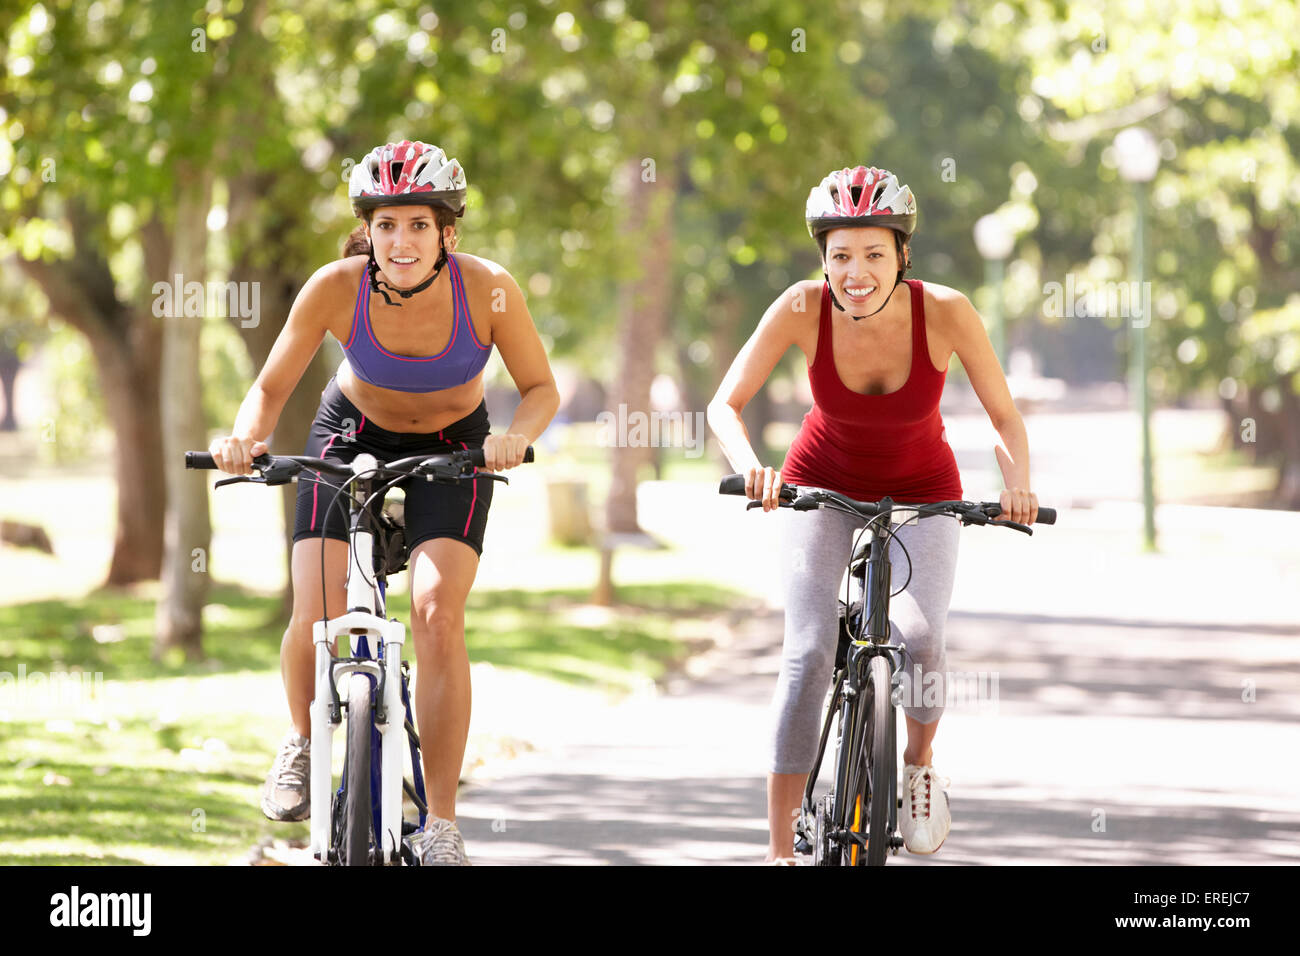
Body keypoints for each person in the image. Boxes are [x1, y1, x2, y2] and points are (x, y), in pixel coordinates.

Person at [208, 140, 559, 865]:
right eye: (387, 225)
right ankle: (304, 743)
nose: (400, 241)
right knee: (317, 607)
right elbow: (271, 389)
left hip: (454, 445)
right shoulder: (336, 287)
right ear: (367, 230)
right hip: (348, 434)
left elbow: (541, 388)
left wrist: (516, 439)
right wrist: (245, 438)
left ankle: (441, 823)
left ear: (447, 234)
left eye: (418, 226)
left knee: (436, 613)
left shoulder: (490, 289)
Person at [707, 165, 1038, 864]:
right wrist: (751, 466)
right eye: (840, 255)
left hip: (924, 490)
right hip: (819, 485)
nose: (855, 272)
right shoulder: (801, 307)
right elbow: (723, 404)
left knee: (920, 638)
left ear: (902, 254)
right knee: (806, 652)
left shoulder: (945, 312)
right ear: (823, 258)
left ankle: (918, 768)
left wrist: (1018, 485)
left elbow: (1004, 415)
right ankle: (778, 852)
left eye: (873, 254)